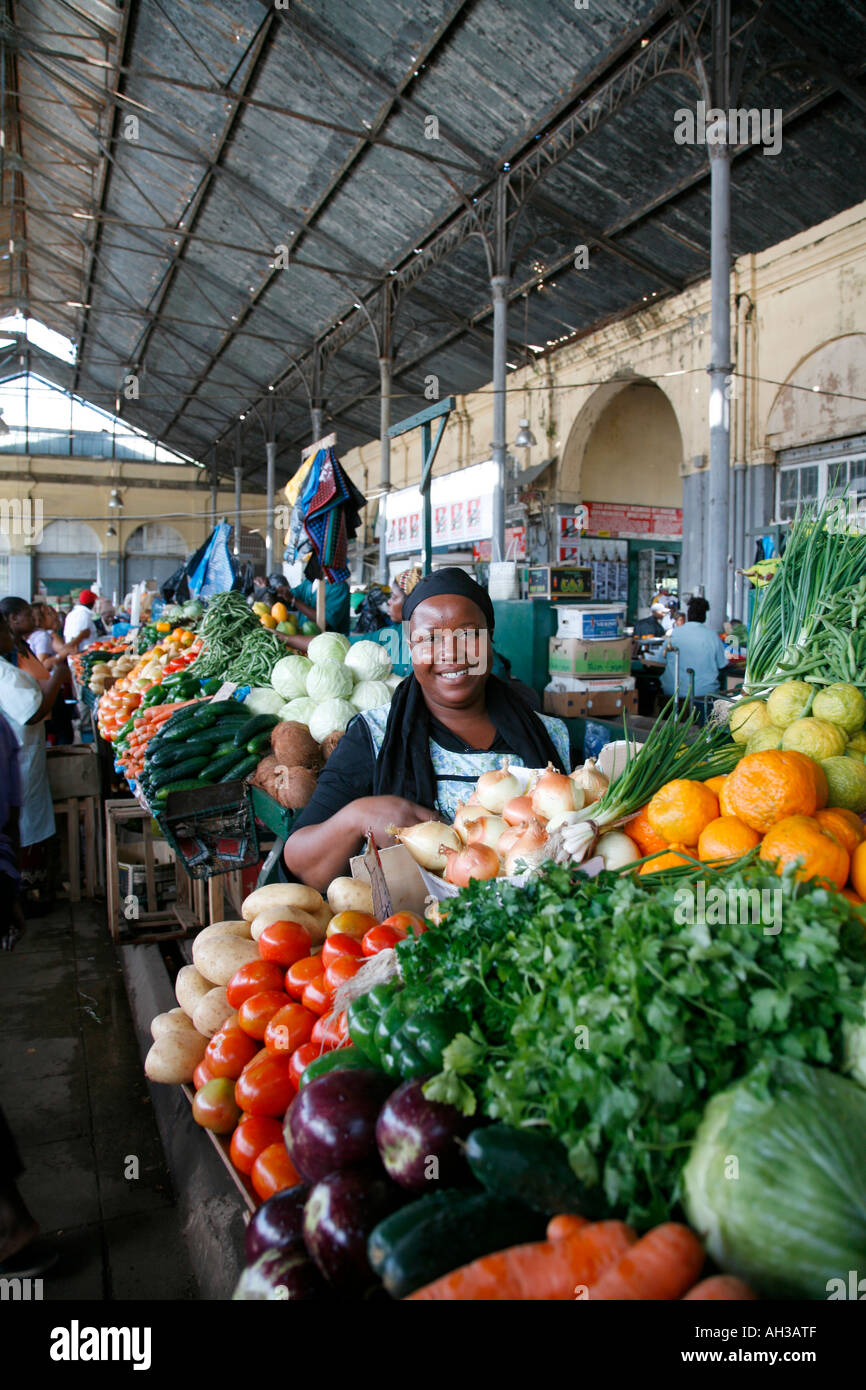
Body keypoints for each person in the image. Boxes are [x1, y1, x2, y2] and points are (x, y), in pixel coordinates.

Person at [283, 568, 572, 891]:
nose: (450, 652)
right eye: (429, 638)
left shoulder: (550, 735)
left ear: (489, 639)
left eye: (467, 634)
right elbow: (301, 861)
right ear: (410, 647)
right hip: (412, 931)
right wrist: (356, 818)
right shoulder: (374, 735)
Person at [0, 608, 68, 912]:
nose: (9, 637)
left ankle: (28, 893)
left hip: (23, 757)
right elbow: (34, 712)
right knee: (25, 827)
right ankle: (27, 897)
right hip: (19, 761)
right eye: (5, 631)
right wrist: (60, 675)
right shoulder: (4, 674)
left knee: (26, 825)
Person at [661, 595, 729, 711]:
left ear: (688, 615)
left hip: (672, 690)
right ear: (705, 616)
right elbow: (722, 664)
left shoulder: (673, 634)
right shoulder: (712, 636)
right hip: (704, 693)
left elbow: (660, 660)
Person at [269, 570, 351, 653]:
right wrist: (277, 592)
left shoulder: (339, 587)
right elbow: (291, 597)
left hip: (327, 647)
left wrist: (293, 600)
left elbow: (325, 620)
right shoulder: (310, 581)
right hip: (300, 643)